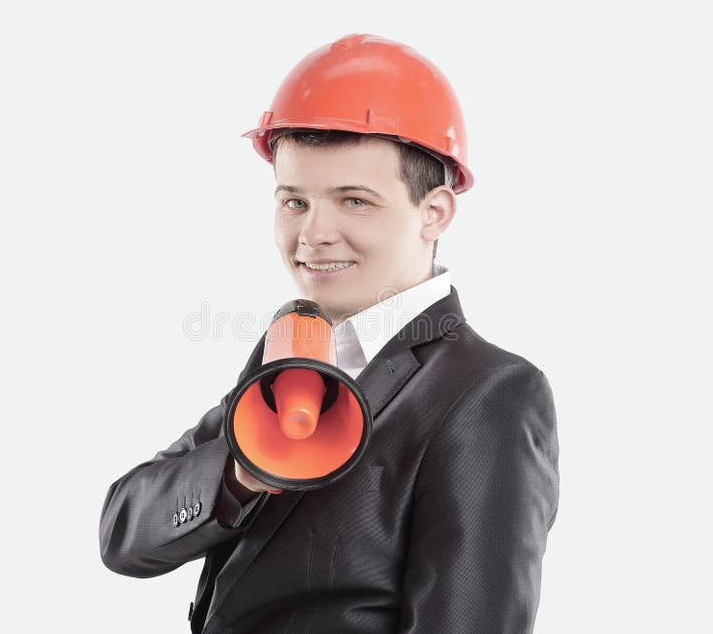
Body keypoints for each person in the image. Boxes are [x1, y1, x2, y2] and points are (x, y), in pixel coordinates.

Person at [99, 33, 560, 634]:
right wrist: (240, 475)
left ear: (435, 211)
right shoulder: (290, 353)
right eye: (294, 201)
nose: (313, 234)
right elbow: (124, 535)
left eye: (354, 201)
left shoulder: (491, 394)